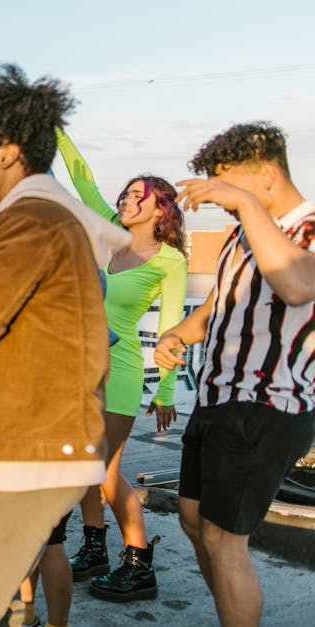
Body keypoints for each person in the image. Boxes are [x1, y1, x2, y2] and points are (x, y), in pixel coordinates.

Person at [0, 64, 130, 626]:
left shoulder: (28, 222)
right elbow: (8, 326)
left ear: (9, 152)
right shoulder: (34, 219)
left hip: (21, 453)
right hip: (13, 452)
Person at [155, 122, 315, 626]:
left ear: (267, 175)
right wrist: (176, 334)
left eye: (226, 185)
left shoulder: (307, 225)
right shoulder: (242, 233)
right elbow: (216, 309)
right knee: (192, 520)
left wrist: (244, 205)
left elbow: (296, 286)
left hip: (270, 403)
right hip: (216, 399)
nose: (219, 199)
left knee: (225, 538)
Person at [56, 129, 189, 601]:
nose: (127, 199)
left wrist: (167, 392)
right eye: (127, 193)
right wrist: (51, 126)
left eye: (140, 195)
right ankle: (94, 549)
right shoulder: (108, 228)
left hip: (120, 369)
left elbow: (173, 330)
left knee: (104, 469)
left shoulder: (170, 262)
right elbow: (81, 177)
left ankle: (139, 563)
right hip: (76, 367)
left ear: (161, 209)